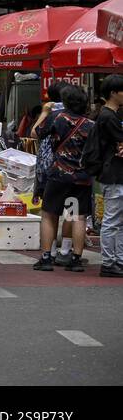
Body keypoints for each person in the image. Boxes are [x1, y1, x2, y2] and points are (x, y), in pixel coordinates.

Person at [33, 85, 95, 272]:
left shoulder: (57, 118)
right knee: (76, 216)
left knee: (49, 214)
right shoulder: (90, 125)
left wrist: (44, 112)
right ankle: (75, 259)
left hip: (59, 176)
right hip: (81, 178)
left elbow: (35, 132)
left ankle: (46, 258)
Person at [92, 74, 123, 277]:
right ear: (113, 93)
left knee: (117, 220)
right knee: (113, 220)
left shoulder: (112, 115)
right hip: (113, 173)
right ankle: (109, 261)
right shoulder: (108, 117)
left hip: (114, 173)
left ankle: (117, 259)